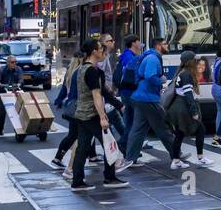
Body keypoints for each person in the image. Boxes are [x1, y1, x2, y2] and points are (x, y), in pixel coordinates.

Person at [69, 37, 128, 192]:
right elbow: (97, 95)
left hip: (81, 114)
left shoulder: (82, 68)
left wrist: (118, 105)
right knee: (109, 143)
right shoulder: (92, 71)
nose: (103, 51)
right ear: (94, 51)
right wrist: (103, 117)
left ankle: (77, 181)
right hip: (92, 115)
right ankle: (110, 178)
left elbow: (103, 93)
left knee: (82, 148)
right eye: (100, 48)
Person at [122, 37, 181, 166]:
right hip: (148, 98)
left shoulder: (150, 57)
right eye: (165, 44)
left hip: (140, 97)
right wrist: (162, 80)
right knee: (163, 128)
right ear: (159, 46)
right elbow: (150, 76)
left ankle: (130, 158)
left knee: (138, 129)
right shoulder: (153, 59)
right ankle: (177, 154)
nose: (168, 47)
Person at [167, 53, 213, 168]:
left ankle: (176, 161)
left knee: (180, 133)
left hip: (177, 106)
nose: (197, 62)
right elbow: (188, 95)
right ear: (190, 61)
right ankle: (200, 158)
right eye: (195, 60)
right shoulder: (187, 75)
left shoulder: (181, 72)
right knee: (200, 130)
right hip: (183, 107)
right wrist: (194, 112)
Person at [114, 35, 142, 153]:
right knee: (134, 123)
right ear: (134, 43)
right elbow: (133, 71)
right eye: (139, 41)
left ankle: (127, 145)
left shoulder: (127, 55)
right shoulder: (128, 56)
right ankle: (125, 144)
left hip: (128, 92)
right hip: (130, 92)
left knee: (131, 122)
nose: (140, 44)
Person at [0, 54, 23, 136]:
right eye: (12, 62)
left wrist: (19, 84)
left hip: (15, 92)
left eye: (15, 62)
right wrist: (0, 85)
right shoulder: (1, 70)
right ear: (8, 63)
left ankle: (19, 129)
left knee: (19, 112)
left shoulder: (18, 69)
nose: (14, 64)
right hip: (4, 93)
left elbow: (21, 79)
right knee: (2, 112)